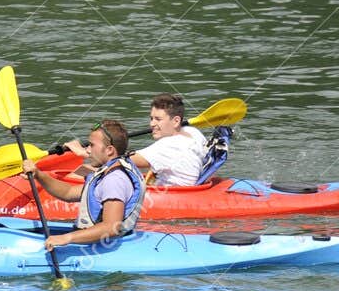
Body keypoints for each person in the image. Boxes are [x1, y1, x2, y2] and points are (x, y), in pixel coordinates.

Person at [22, 119, 143, 251]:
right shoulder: (108, 172)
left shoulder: (114, 180)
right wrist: (38, 175)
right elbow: (68, 192)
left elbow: (111, 227)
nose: (88, 150)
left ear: (109, 150)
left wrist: (66, 238)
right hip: (102, 240)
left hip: (103, 246)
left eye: (92, 145)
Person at [64, 93, 205, 186]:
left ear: (175, 121)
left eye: (158, 119)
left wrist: (85, 152)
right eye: (151, 118)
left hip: (171, 196)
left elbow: (115, 159)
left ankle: (58, 193)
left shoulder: (167, 146)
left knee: (84, 170)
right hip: (181, 185)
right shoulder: (192, 132)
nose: (152, 124)